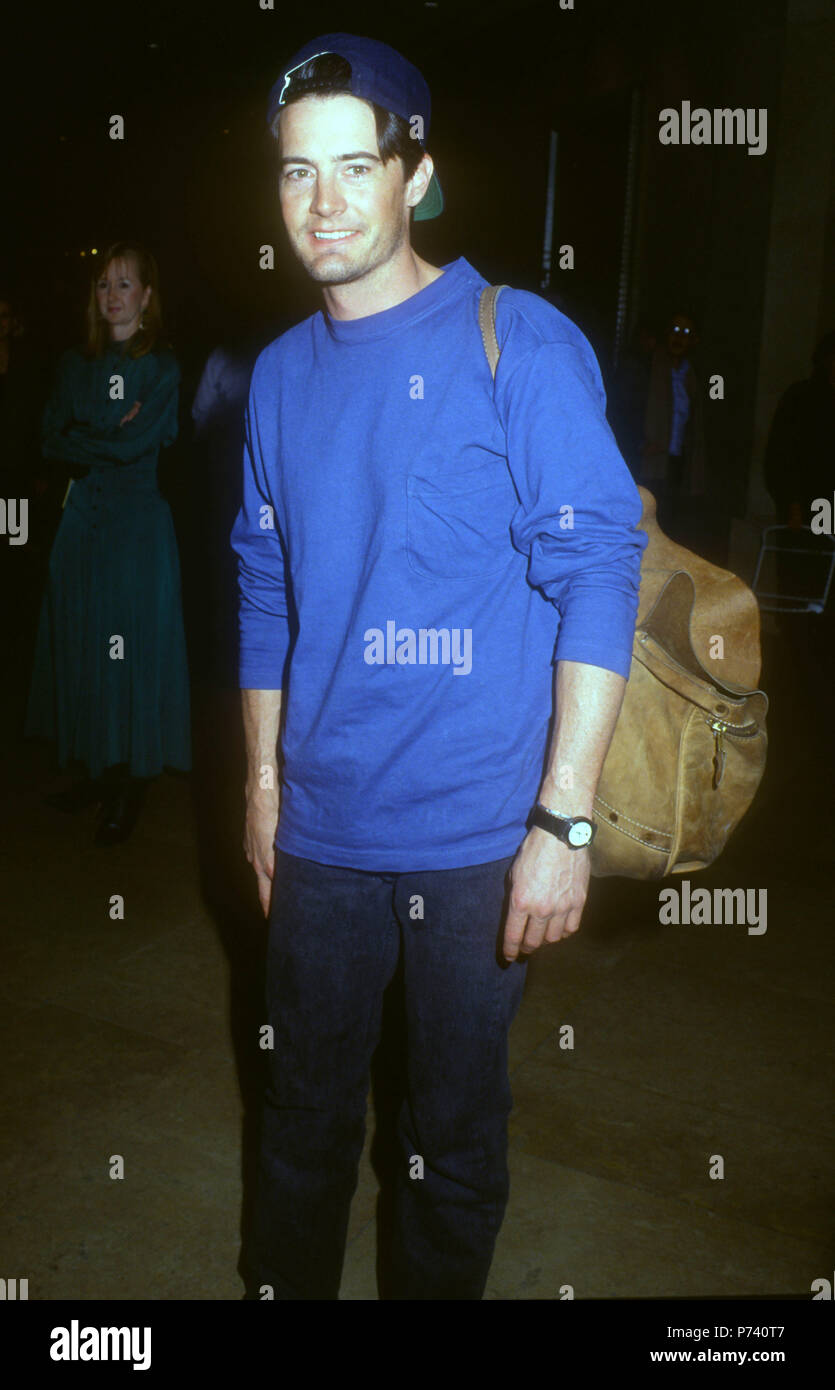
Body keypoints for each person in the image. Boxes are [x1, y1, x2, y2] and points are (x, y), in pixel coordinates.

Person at [230, 33, 647, 1300]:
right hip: (321, 831)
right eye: (298, 174)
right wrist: (260, 785)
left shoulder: (514, 340)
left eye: (357, 167)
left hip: (477, 836)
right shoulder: (277, 378)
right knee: (299, 1123)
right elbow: (263, 589)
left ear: (416, 173)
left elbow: (598, 573)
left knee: (448, 1143)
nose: (325, 204)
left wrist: (562, 817)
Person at [25, 241, 191, 844]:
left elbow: (126, 449)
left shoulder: (161, 367)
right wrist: (101, 432)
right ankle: (97, 770)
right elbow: (47, 438)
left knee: (130, 655)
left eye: (125, 284)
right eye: (103, 285)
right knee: (87, 649)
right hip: (80, 527)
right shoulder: (75, 363)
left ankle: (130, 782)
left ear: (147, 297)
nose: (113, 296)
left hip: (135, 529)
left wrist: (84, 434)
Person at [638, 310, 706, 535]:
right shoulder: (646, 368)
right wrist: (640, 444)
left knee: (672, 527)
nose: (679, 338)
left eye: (686, 333)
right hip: (648, 464)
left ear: (694, 339)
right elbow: (623, 411)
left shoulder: (694, 376)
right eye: (675, 331)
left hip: (677, 466)